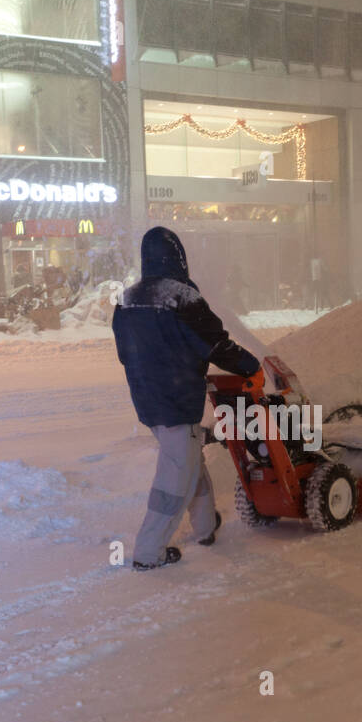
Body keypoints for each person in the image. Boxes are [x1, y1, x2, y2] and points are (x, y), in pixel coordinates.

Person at [112, 227, 261, 571]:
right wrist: (250, 366)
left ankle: (206, 526)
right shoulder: (182, 298)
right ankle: (149, 552)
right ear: (178, 257)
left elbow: (125, 353)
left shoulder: (127, 299)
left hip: (148, 401)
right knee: (174, 478)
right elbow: (216, 345)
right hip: (178, 402)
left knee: (190, 462)